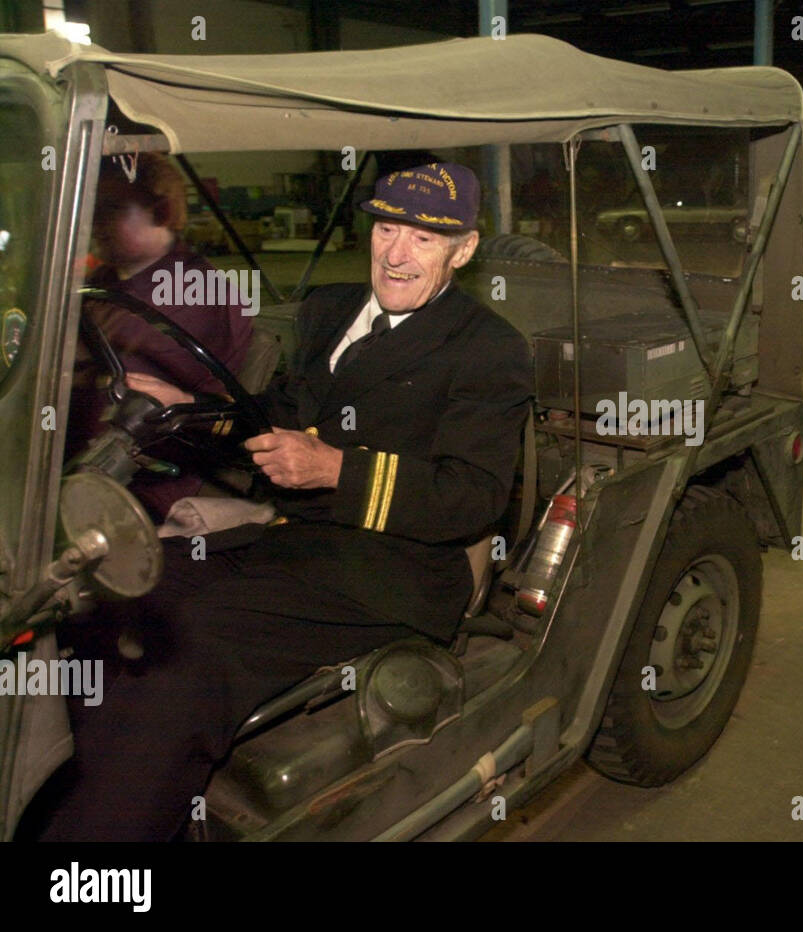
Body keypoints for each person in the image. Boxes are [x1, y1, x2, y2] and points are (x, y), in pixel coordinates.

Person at [39, 162, 533, 841]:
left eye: (423, 238)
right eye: (386, 230)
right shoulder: (330, 310)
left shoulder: (489, 348)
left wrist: (336, 470)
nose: (396, 254)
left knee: (193, 646)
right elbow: (279, 415)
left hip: (391, 572)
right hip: (288, 540)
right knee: (109, 590)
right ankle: (98, 792)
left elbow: (473, 497)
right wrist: (192, 408)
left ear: (464, 250)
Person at [68, 153, 254, 522]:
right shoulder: (108, 280)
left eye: (111, 208)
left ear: (163, 211)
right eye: (93, 209)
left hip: (143, 481)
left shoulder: (195, 292)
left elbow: (109, 393)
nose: (95, 223)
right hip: (84, 457)